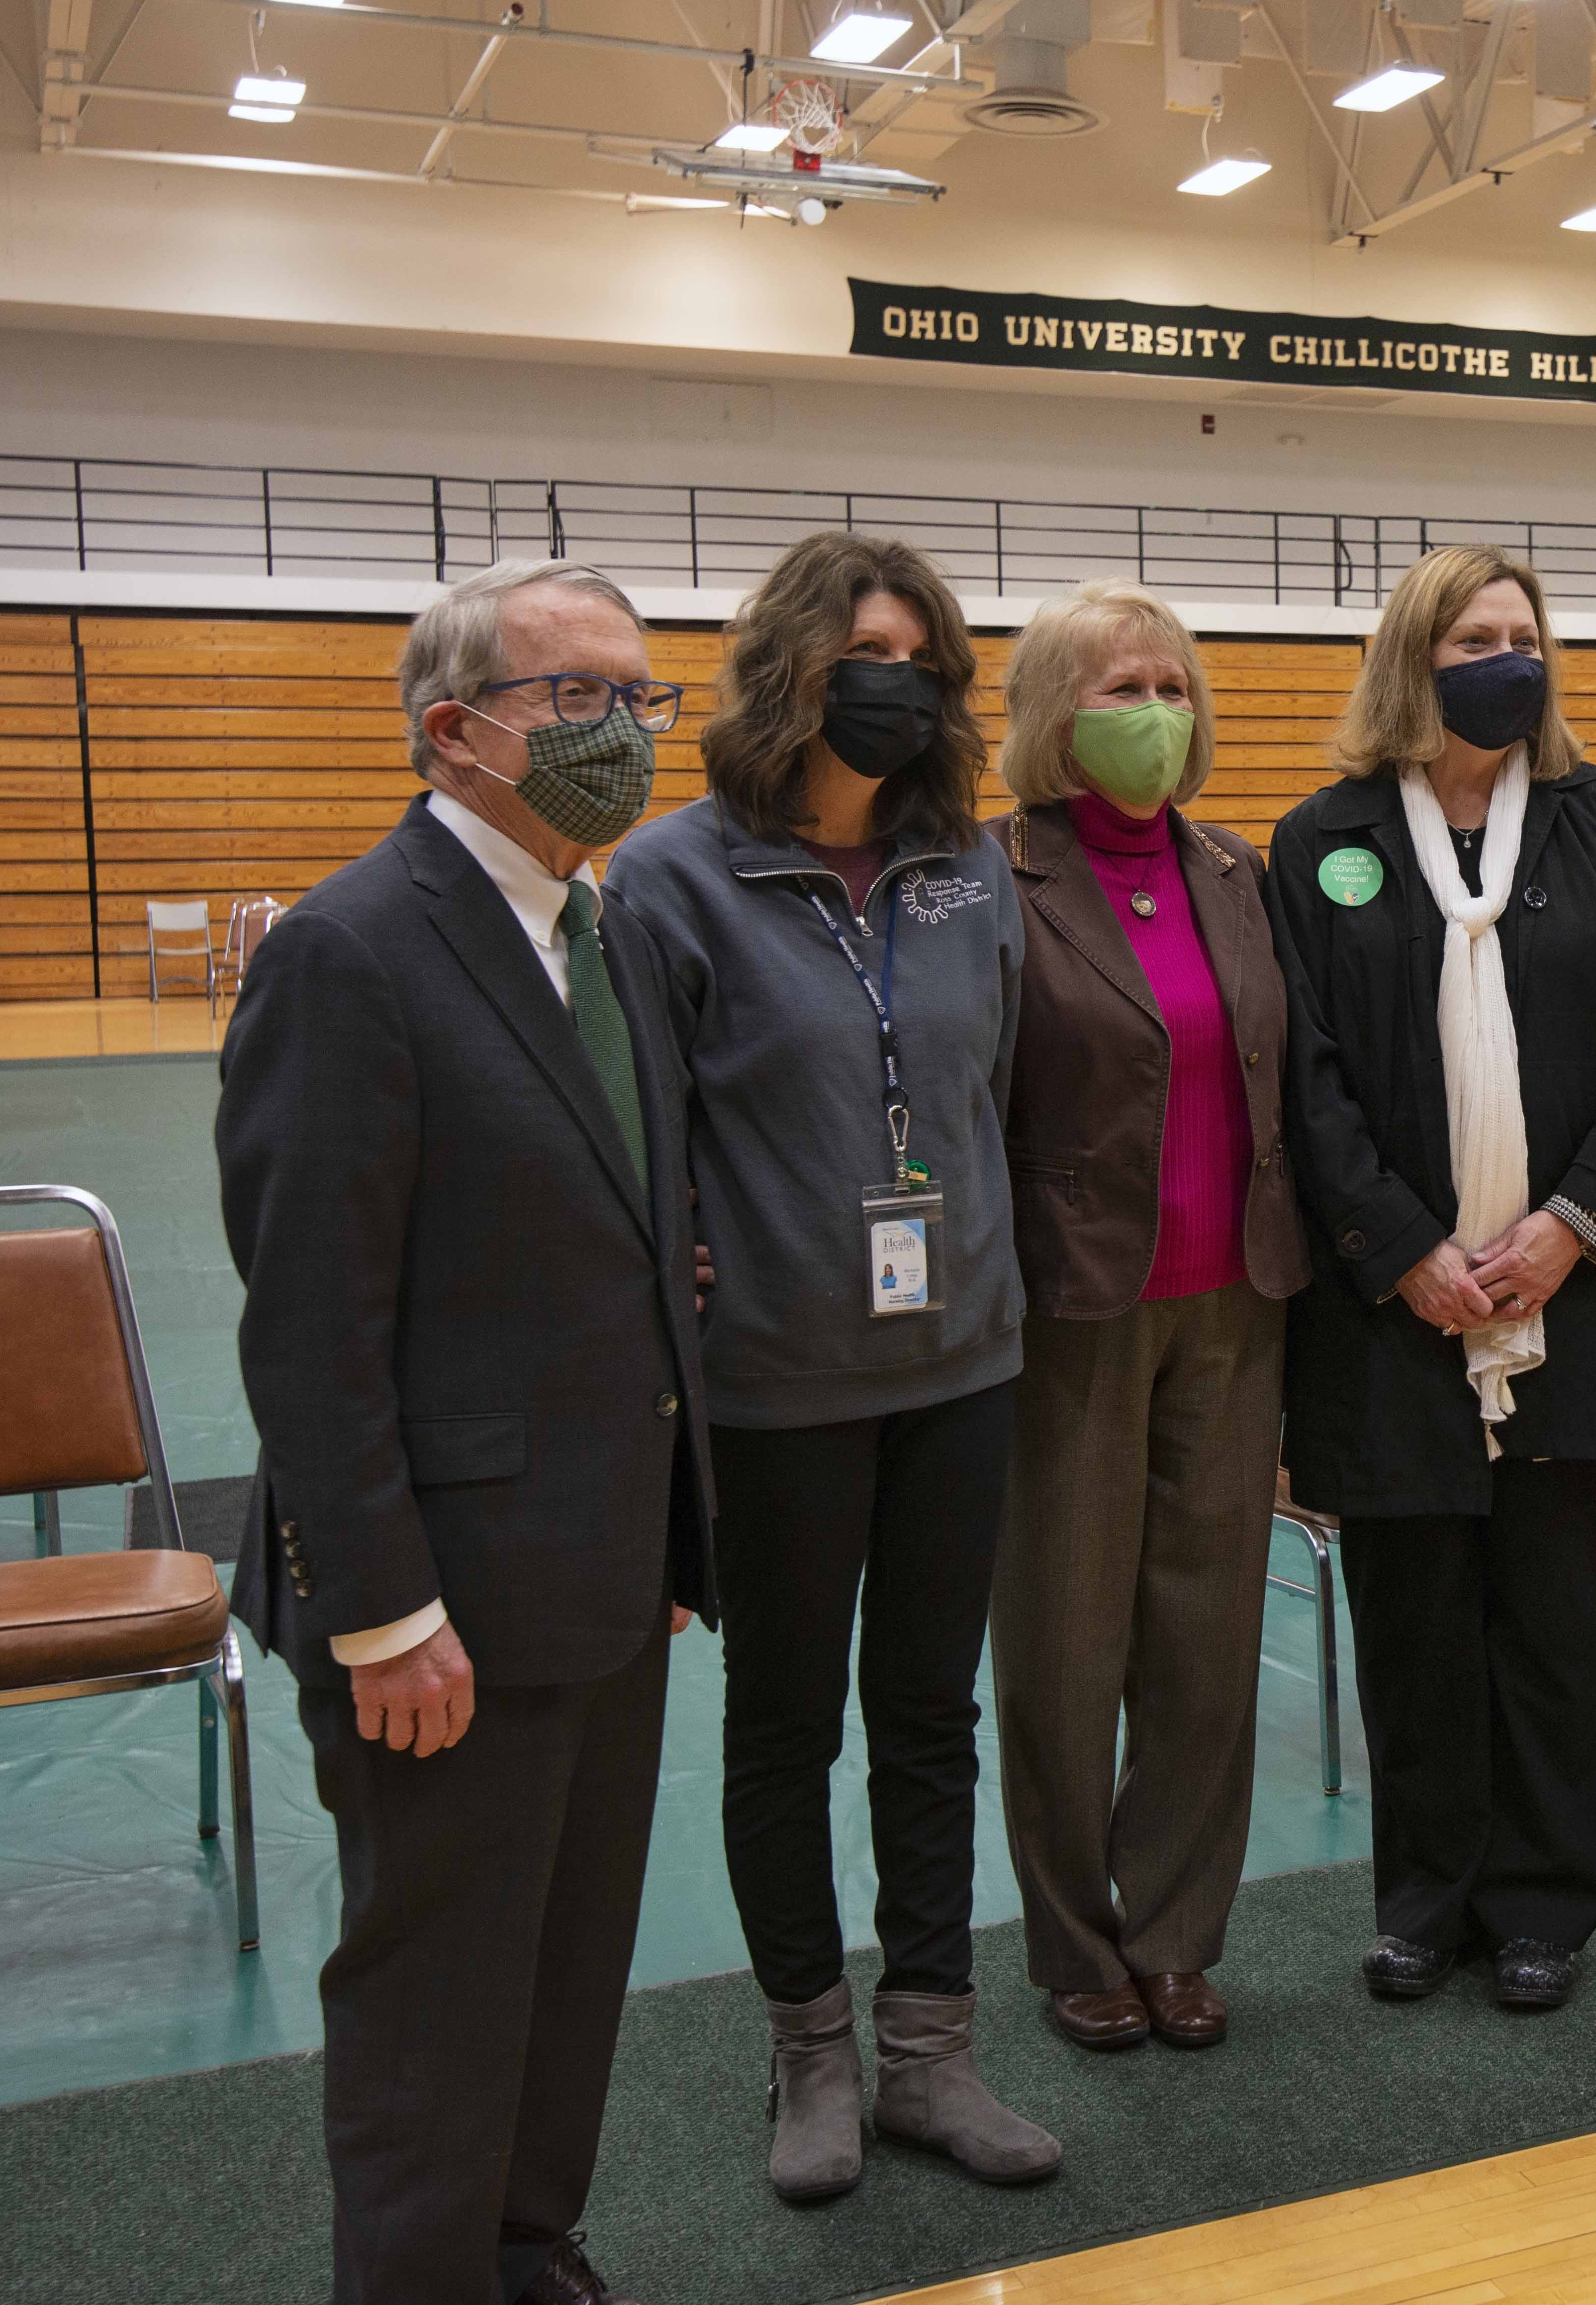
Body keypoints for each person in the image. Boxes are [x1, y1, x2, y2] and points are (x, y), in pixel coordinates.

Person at [219, 557, 713, 2305]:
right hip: (435, 1607)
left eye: (642, 698)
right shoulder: (349, 952)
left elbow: (634, 1242)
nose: (625, 732)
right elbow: (309, 1325)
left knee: (570, 1962)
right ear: (455, 731)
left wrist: (664, 1539)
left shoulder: (613, 928)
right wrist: (379, 1609)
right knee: (439, 1995)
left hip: (598, 1564)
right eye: (577, 698)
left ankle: (526, 2248)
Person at [603, 532, 1055, 2204]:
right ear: (795, 664)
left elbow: (994, 1084)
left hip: (961, 1362)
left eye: (930, 663)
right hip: (779, 1376)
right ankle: (811, 2054)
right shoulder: (670, 881)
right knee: (785, 1726)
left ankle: (931, 2048)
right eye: (875, 650)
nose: (906, 685)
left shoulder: (968, 869)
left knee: (932, 1716)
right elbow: (644, 1138)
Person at [1269, 543, 1596, 2015]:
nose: (1504, 656)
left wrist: (1571, 1223)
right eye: (1473, 635)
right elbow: (1303, 1076)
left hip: (1570, 1297)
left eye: (1523, 633)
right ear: (1412, 655)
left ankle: (1541, 1904)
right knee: (1414, 1624)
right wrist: (1400, 1251)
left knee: (1557, 1621)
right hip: (1395, 1311)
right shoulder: (1321, 838)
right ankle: (1422, 1899)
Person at [982, 582, 1304, 2057]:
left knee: (1204, 1635)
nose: (1155, 713)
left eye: (1174, 684)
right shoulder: (988, 881)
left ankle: (1175, 1931)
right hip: (1069, 1312)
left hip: (1235, 1300)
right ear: (1057, 713)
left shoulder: (1235, 871)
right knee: (1060, 1642)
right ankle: (1071, 1938)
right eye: (1123, 686)